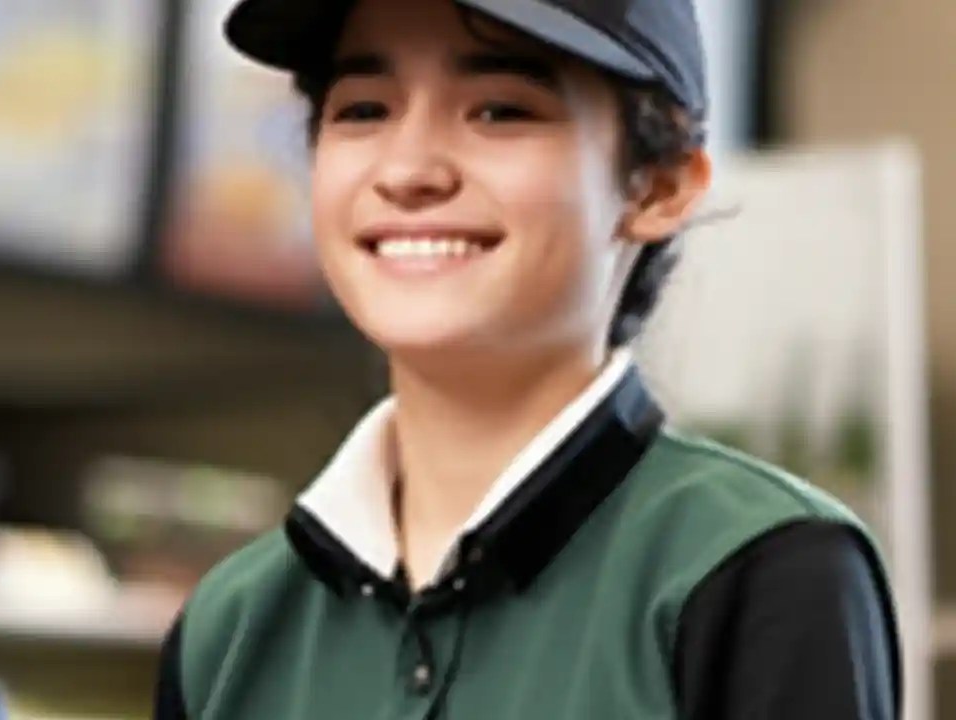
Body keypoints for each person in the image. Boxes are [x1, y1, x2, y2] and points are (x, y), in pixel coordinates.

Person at [153, 0, 901, 717]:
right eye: (364, 110)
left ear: (660, 185)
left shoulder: (761, 570)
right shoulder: (229, 630)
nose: (408, 171)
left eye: (499, 111)